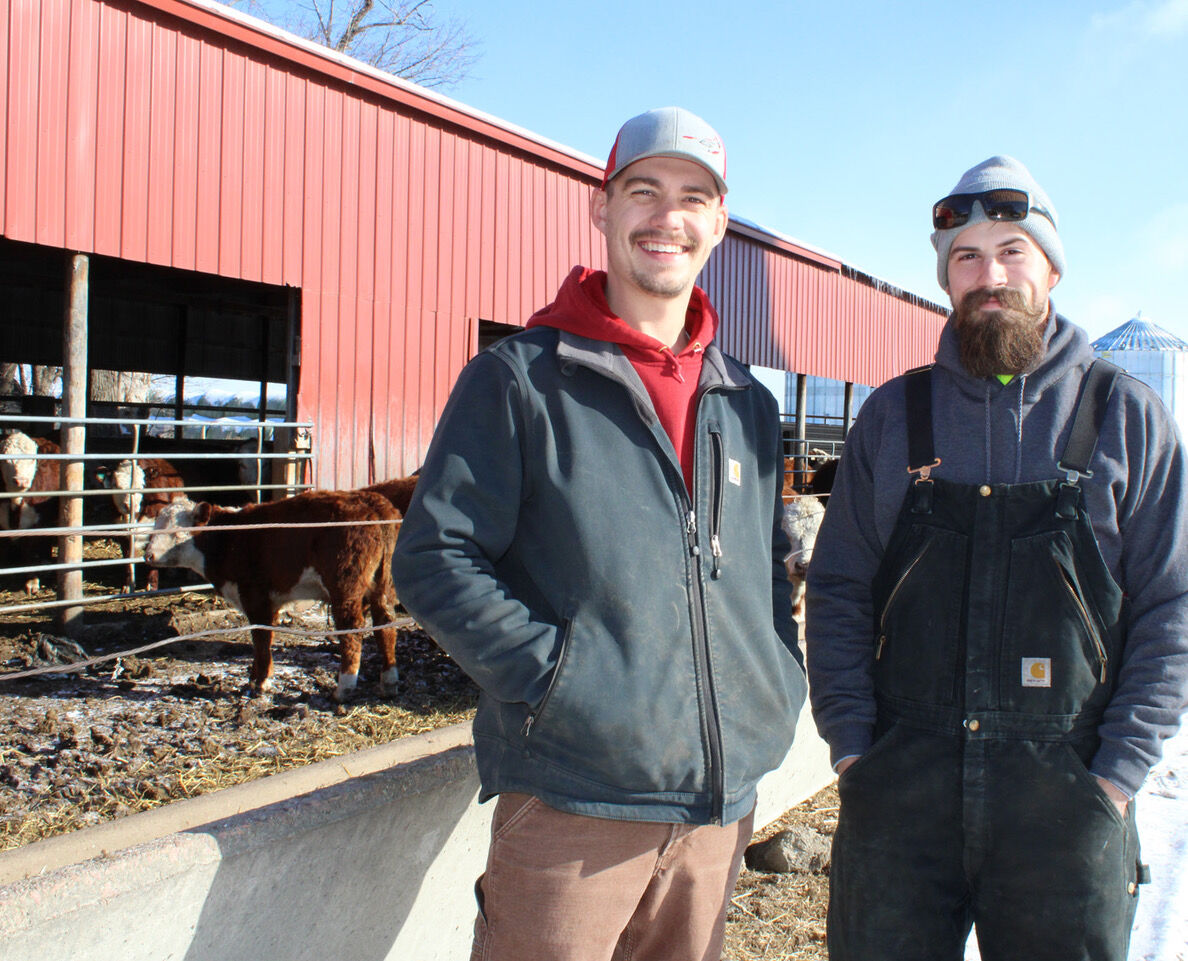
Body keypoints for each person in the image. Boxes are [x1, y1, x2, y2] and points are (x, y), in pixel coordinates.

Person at [391, 107, 807, 961]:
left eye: (694, 197)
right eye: (643, 190)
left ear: (719, 224)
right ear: (603, 207)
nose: (668, 217)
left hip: (718, 809)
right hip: (574, 804)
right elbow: (436, 556)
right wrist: (559, 683)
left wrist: (772, 677)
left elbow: (765, 567)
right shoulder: (521, 380)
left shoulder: (749, 404)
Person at [806, 155, 1188, 961]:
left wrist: (1115, 775)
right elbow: (838, 588)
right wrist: (851, 745)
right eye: (967, 257)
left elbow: (1172, 605)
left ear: (1051, 266)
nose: (990, 275)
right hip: (900, 799)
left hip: (1067, 796)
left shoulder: (1125, 415)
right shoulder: (893, 415)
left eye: (1012, 250)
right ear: (946, 278)